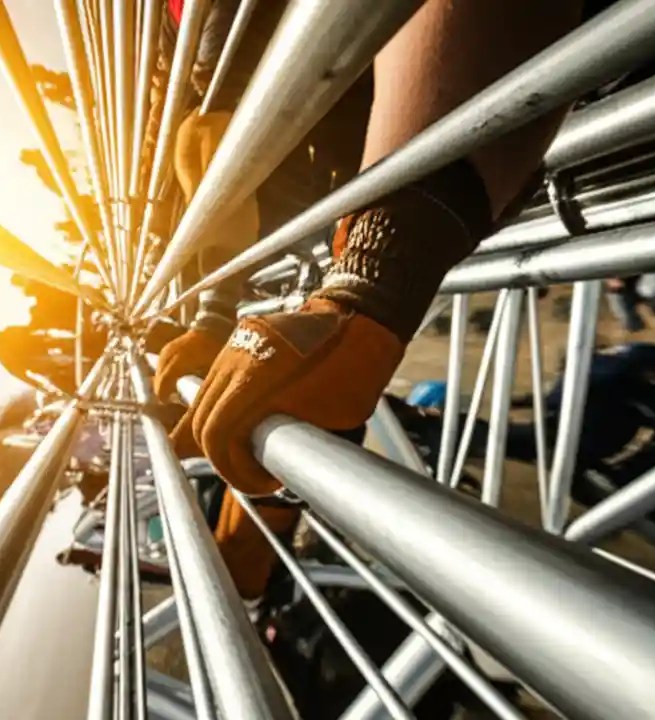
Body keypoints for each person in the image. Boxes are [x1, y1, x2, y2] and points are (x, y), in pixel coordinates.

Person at [151, 1, 586, 599]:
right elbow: (219, 161)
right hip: (361, 161)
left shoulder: (201, 46)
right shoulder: (195, 54)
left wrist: (373, 279)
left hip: (417, 133)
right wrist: (216, 311)